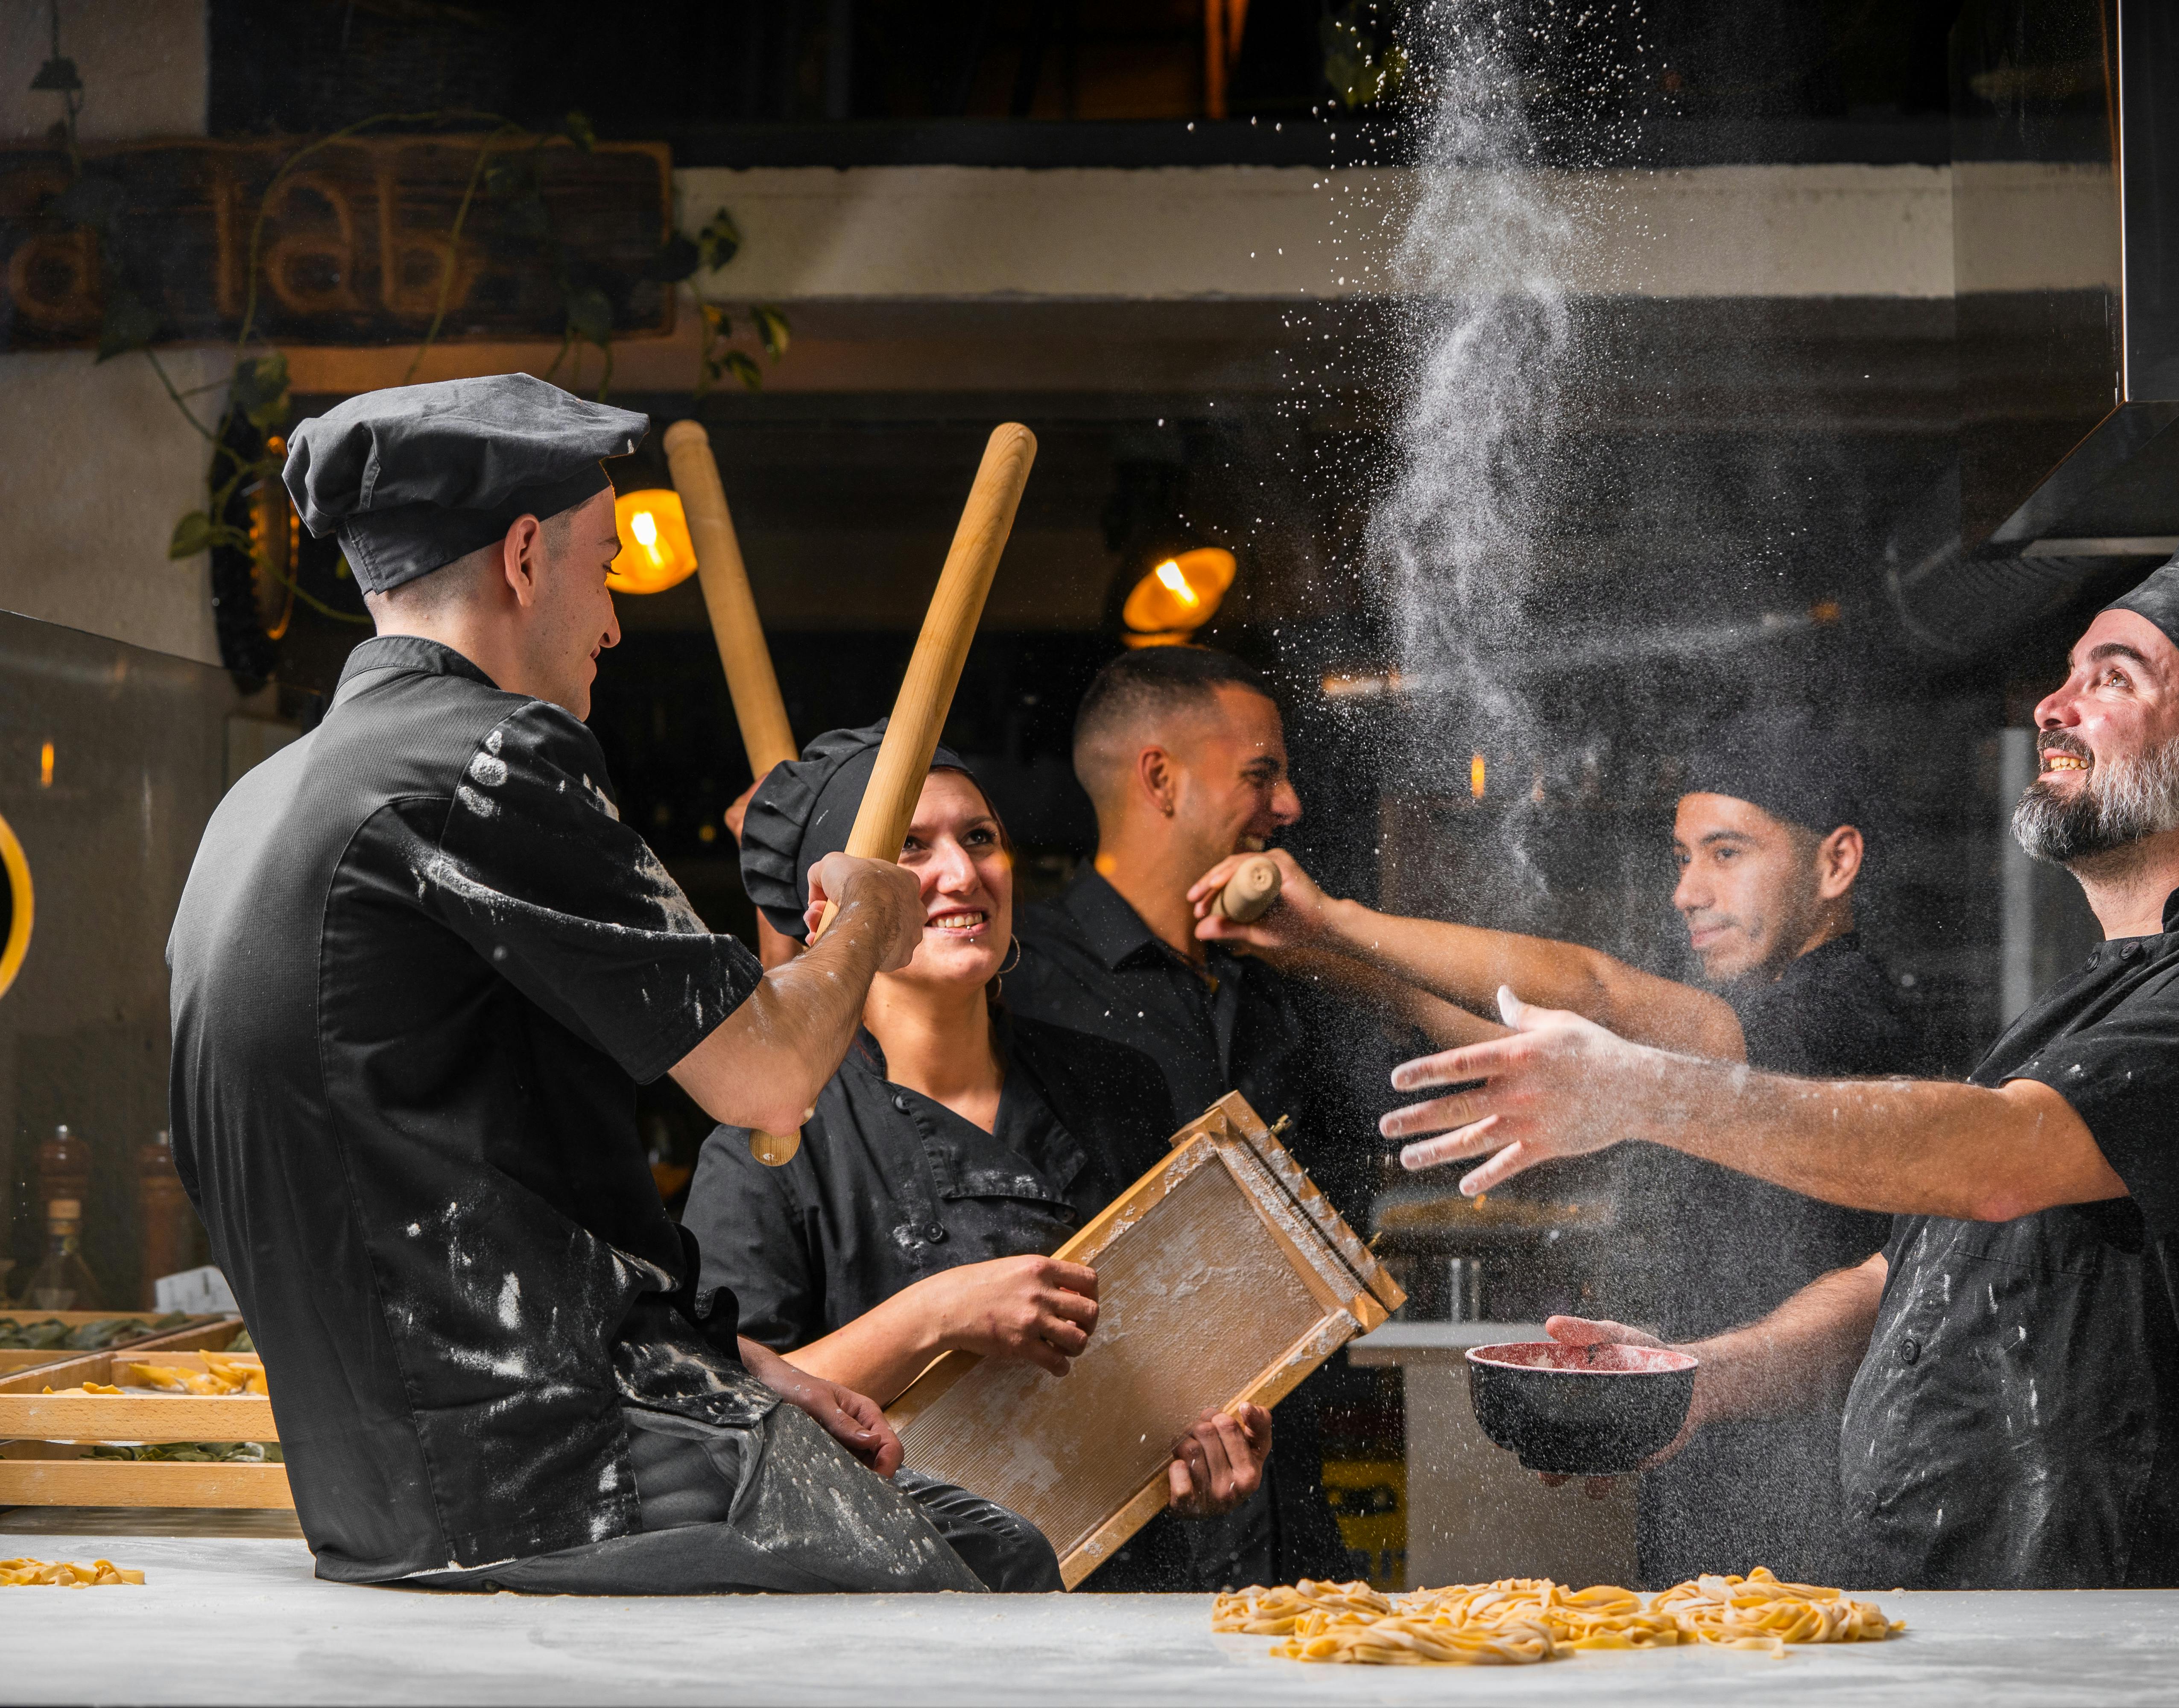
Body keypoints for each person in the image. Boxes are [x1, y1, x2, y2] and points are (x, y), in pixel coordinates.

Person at [1375, 490, 2179, 1590]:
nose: (2054, 705)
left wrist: (1642, 1091)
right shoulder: (2089, 1002)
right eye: (2069, 673)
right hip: (1959, 1613)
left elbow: (1999, 1159)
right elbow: (1903, 1275)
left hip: (2116, 1634)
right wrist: (1698, 1377)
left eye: (2114, 678)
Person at [167, 374, 1055, 1594]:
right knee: (999, 1568)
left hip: (380, 1502)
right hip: (558, 1478)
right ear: (525, 556)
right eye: (607, 568)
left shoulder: (254, 805)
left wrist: (724, 1358)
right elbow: (769, 1075)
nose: (617, 624)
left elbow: (445, 1202)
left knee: (977, 1535)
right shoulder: (483, 758)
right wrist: (865, 914)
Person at [1188, 712, 1922, 1584]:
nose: (1688, 891)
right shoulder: (1753, 1017)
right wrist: (1311, 951)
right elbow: (1511, 1033)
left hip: (1815, 1484)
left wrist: (1339, 920)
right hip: (1715, 1463)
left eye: (1727, 853)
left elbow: (1596, 991)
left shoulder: (1844, 1011)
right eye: (1683, 857)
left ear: (1837, 863)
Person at [684, 722, 1272, 1588]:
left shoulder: (1117, 1088)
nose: (961, 873)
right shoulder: (771, 1139)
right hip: (896, 1612)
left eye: (980, 837)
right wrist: (936, 1313)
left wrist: (1197, 1453)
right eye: (910, 848)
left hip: (1115, 1605)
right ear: (830, 912)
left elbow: (1171, 1349)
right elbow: (711, 1413)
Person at [1003, 643, 1358, 1585]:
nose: (1289, 805)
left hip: (1290, 1507)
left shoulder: (1279, 971)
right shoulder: (1019, 982)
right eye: (1261, 774)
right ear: (1160, 778)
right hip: (1108, 1524)